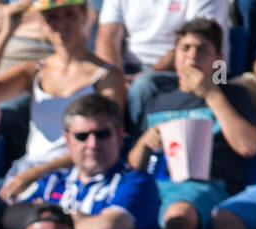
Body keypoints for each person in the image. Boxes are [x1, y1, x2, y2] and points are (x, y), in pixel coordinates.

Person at [0, 0, 125, 229]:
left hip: (75, 175)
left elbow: (107, 140)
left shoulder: (107, 75)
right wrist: (7, 32)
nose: (61, 24)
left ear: (84, 16)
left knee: (39, 228)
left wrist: (39, 172)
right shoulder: (35, 70)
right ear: (42, 22)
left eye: (69, 14)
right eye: (52, 17)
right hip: (28, 176)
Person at [128, 20, 256, 229]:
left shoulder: (232, 94)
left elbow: (248, 146)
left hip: (208, 187)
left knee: (178, 214)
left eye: (203, 49)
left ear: (218, 60)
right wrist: (145, 142)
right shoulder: (157, 100)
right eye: (185, 48)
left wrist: (212, 93)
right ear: (175, 54)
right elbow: (133, 165)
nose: (192, 55)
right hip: (158, 184)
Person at [5, 93, 159, 229]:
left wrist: (48, 222)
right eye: (82, 136)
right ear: (67, 139)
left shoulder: (136, 182)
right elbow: (12, 217)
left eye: (102, 134)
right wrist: (76, 218)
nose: (92, 144)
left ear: (119, 135)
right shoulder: (53, 181)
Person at [94, 0, 226, 131]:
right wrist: (116, 80)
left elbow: (197, 40)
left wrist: (144, 75)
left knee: (143, 85)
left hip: (178, 70)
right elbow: (107, 38)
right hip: (127, 70)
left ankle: (133, 140)